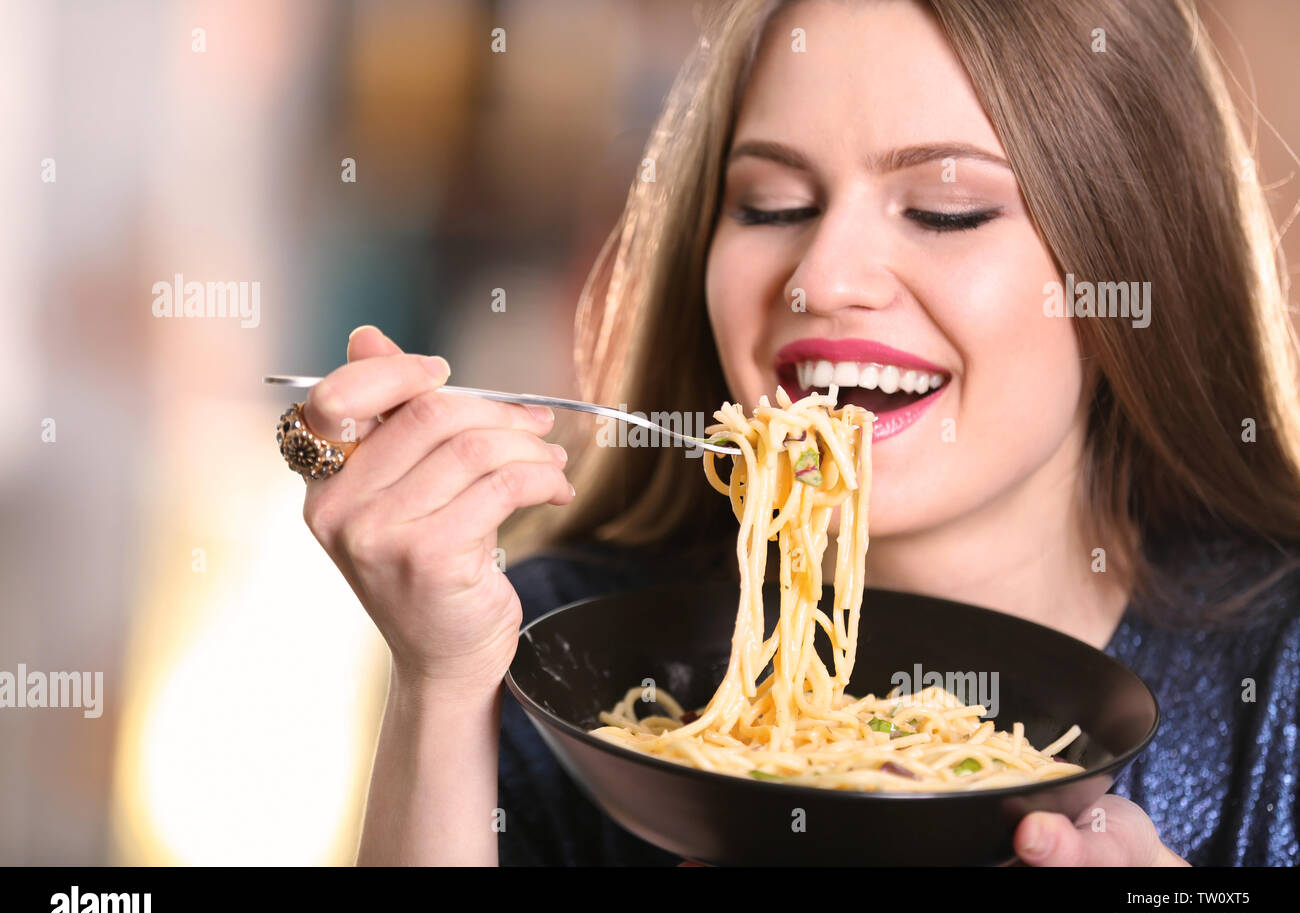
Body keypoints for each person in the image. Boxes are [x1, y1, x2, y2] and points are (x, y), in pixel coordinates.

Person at [275, 0, 1300, 866]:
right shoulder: (551, 650)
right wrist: (441, 683)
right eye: (771, 204)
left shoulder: (1282, 661)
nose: (819, 277)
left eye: (946, 208)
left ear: (1128, 261)